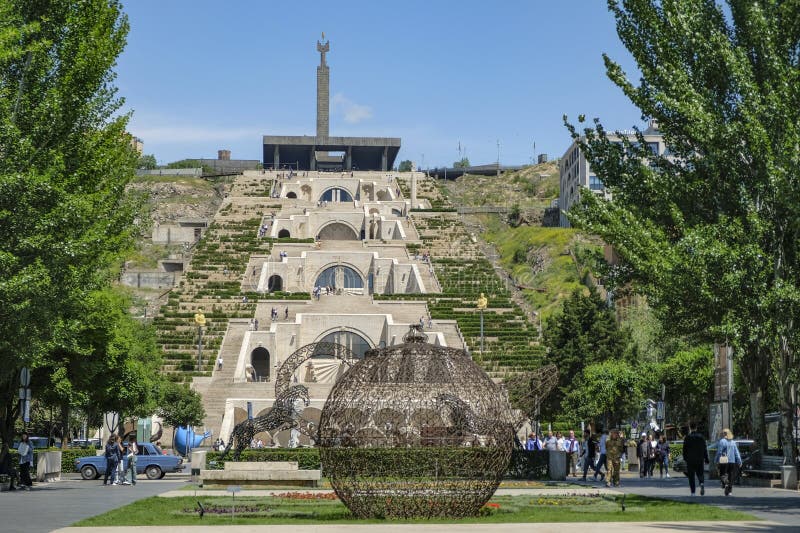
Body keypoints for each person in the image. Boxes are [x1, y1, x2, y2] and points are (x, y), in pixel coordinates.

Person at [683, 422, 709, 495]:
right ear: (696, 427)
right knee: (700, 473)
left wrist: (685, 458)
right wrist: (706, 458)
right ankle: (701, 483)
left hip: (690, 459)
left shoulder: (687, 437)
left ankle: (693, 492)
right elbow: (704, 449)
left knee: (691, 476)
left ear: (690, 428)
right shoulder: (701, 437)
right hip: (700, 459)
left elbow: (684, 449)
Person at [716, 428, 742, 496]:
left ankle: (725, 483)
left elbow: (719, 452)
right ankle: (730, 491)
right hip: (732, 461)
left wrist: (716, 460)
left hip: (723, 461)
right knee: (731, 476)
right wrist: (739, 461)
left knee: (722, 474)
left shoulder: (722, 441)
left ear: (723, 434)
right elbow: (736, 453)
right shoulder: (733, 442)